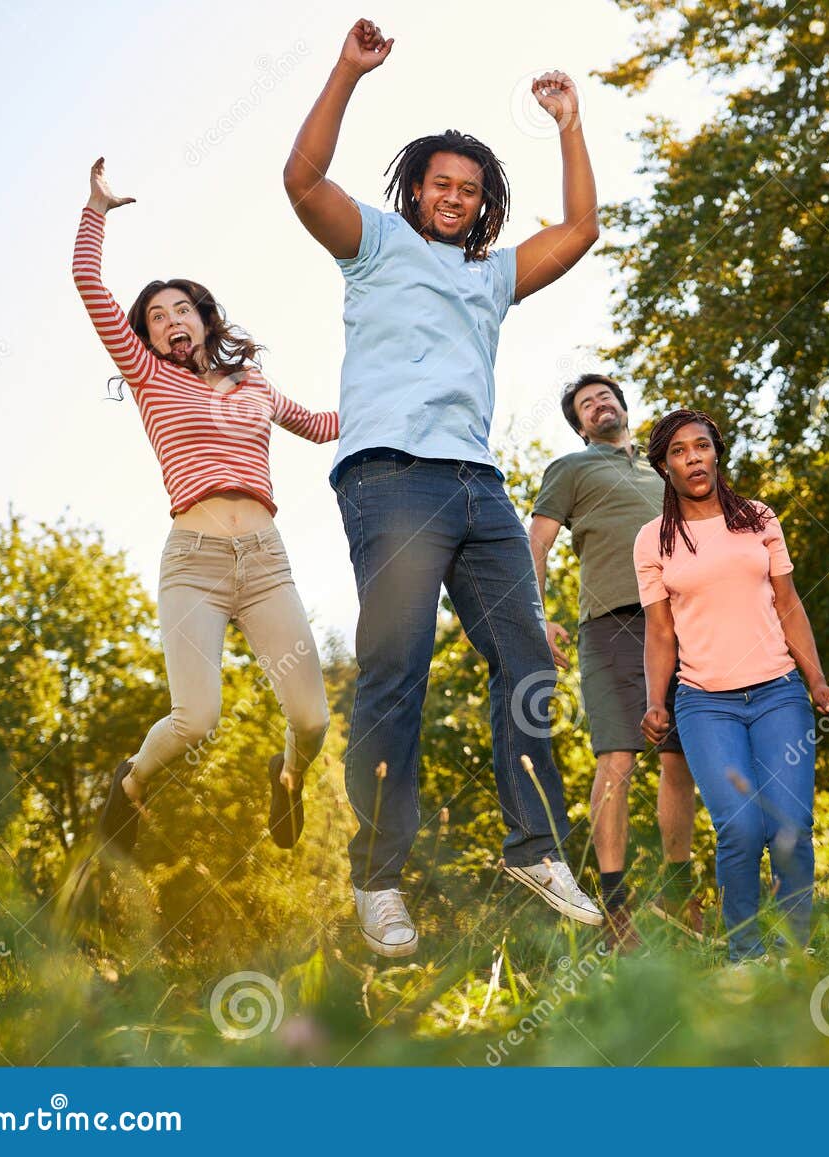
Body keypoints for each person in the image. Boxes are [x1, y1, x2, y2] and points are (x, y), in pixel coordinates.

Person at [283, 19, 604, 956]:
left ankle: (535, 847)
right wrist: (347, 70)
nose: (456, 198)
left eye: (471, 189)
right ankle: (378, 877)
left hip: (480, 490)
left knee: (529, 665)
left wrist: (568, 124)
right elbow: (302, 181)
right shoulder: (374, 244)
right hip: (389, 479)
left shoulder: (493, 276)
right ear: (417, 189)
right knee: (397, 672)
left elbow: (580, 230)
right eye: (443, 184)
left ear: (484, 202)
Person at [74, 158, 336, 859]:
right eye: (156, 317)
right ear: (150, 337)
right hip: (193, 564)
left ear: (203, 316)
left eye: (180, 309)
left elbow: (317, 424)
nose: (169, 322)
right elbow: (88, 284)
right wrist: (96, 208)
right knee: (197, 718)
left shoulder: (252, 382)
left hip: (265, 562)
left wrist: (391, 403)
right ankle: (131, 783)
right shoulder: (148, 375)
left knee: (311, 720)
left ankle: (287, 776)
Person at [635, 410, 829, 962]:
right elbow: (659, 632)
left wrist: (816, 680)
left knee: (791, 826)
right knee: (743, 829)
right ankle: (745, 956)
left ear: (716, 452)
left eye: (701, 446)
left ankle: (794, 948)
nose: (693, 458)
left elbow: (789, 605)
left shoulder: (758, 519)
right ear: (664, 465)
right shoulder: (653, 540)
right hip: (705, 705)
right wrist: (656, 703)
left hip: (778, 693)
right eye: (678, 451)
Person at [530, 375, 704, 948]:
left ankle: (679, 896)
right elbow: (537, 542)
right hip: (610, 626)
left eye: (606, 396)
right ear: (581, 425)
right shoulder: (573, 469)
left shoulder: (663, 470)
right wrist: (538, 614)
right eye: (586, 403)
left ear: (624, 408)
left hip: (681, 624)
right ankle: (615, 907)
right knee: (617, 759)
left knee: (680, 760)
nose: (599, 404)